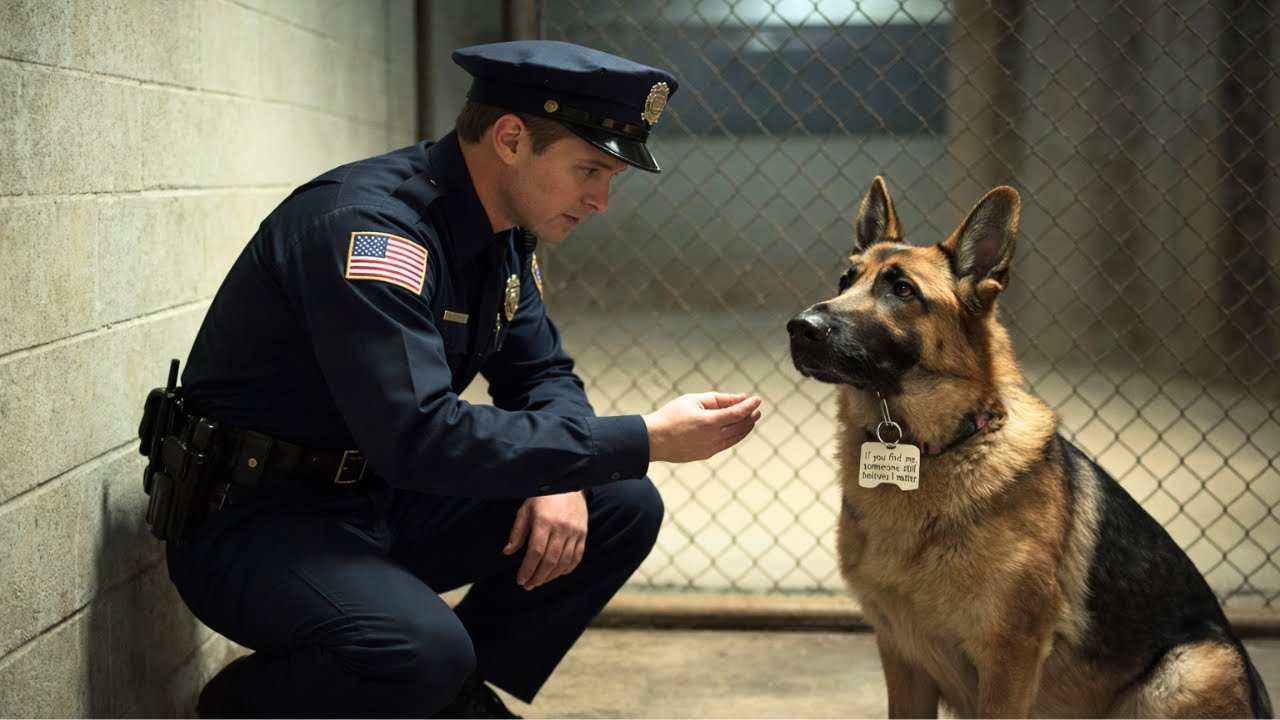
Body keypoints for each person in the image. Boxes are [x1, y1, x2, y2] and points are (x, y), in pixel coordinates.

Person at [161, 40, 763, 718]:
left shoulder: (500, 232)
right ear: (511, 139)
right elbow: (420, 436)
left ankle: (452, 696)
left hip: (383, 497)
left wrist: (563, 475)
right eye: (589, 169)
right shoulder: (371, 230)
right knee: (418, 649)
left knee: (618, 504)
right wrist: (645, 437)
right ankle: (248, 706)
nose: (600, 200)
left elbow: (543, 374)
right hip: (260, 519)